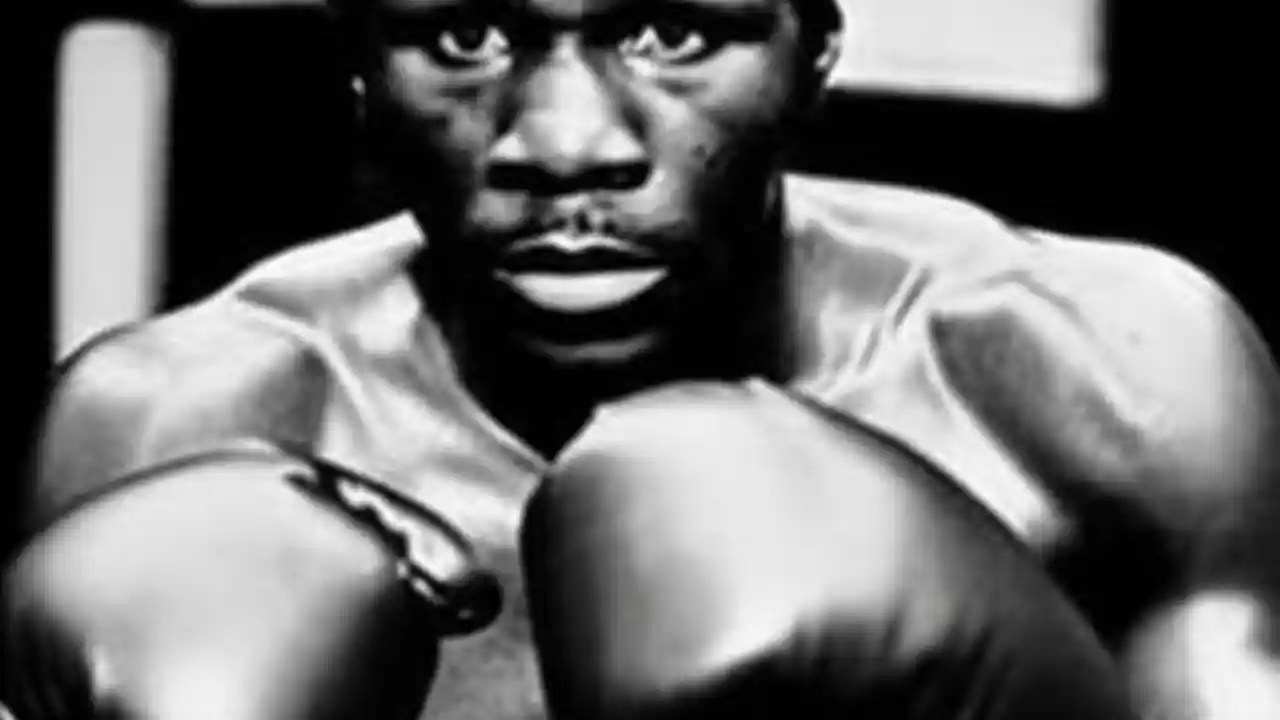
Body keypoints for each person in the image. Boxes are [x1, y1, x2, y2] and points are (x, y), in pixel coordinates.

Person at [3, 0, 1278, 718]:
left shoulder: (1091, 375)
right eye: (465, 38)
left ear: (813, 49)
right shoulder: (179, 424)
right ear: (359, 69)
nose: (562, 145)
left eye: (670, 32)